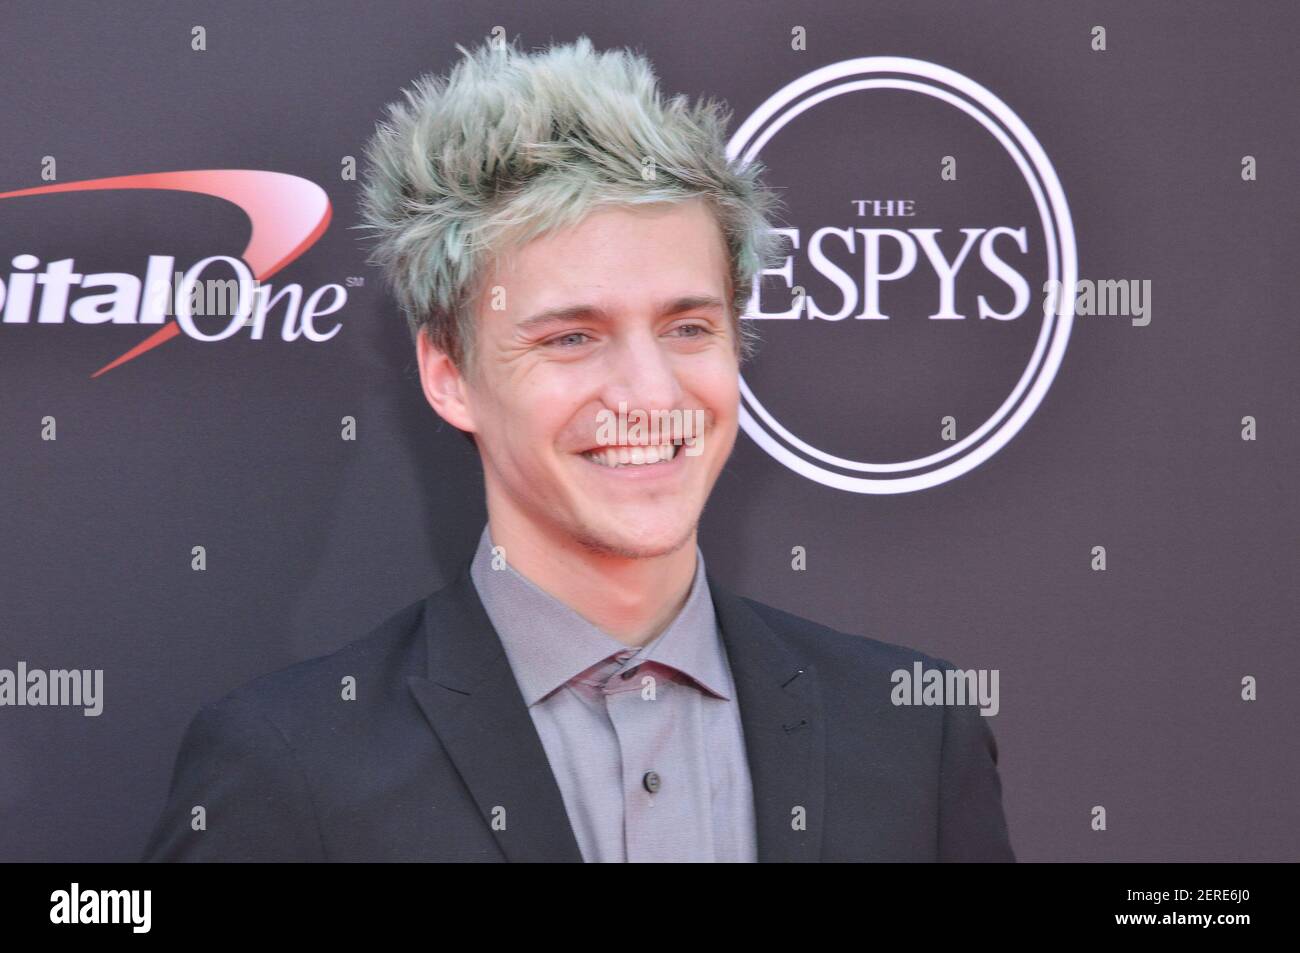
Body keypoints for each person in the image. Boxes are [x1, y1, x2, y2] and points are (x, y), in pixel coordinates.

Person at [142, 36, 1014, 862]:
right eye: (570, 338)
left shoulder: (911, 732)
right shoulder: (291, 766)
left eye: (687, 326)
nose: (650, 393)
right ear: (449, 375)